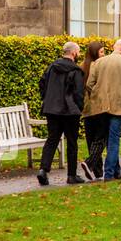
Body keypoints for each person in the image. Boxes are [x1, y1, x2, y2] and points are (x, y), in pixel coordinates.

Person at [85, 37, 121, 181]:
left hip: (100, 107)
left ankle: (117, 172)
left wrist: (98, 96)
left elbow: (90, 84)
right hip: (119, 106)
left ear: (114, 47)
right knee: (113, 140)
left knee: (108, 139)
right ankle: (109, 174)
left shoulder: (98, 62)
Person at [37, 41, 85, 186]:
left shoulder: (52, 67)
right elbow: (78, 93)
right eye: (79, 52)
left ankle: (43, 170)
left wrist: (48, 98)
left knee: (52, 139)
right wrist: (79, 107)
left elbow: (42, 83)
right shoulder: (76, 70)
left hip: (52, 109)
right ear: (74, 53)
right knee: (71, 142)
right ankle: (71, 175)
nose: (79, 54)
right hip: (70, 111)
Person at [78, 40, 107, 180]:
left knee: (91, 138)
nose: (104, 54)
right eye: (101, 52)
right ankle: (90, 164)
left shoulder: (82, 67)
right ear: (95, 53)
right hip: (99, 107)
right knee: (101, 138)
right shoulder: (100, 66)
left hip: (86, 109)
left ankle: (97, 170)